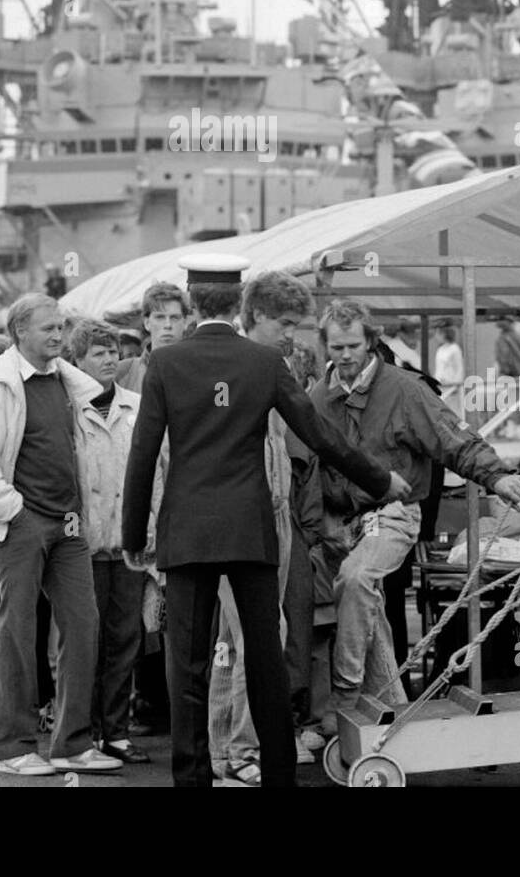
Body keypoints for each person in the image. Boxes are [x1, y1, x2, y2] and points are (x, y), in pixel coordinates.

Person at [121, 254, 407, 789]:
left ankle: (193, 778)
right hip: (251, 528)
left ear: (189, 302)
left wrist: (135, 536)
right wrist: (381, 480)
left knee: (188, 665)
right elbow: (321, 435)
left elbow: (142, 456)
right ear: (241, 303)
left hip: (187, 532)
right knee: (266, 657)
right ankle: (278, 776)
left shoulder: (165, 364)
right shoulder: (263, 362)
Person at [310, 299, 520, 719]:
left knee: (357, 581)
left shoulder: (406, 388)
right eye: (337, 347)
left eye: (353, 345)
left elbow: (453, 438)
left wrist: (497, 477)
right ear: (326, 347)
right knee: (366, 610)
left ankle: (343, 700)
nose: (345, 355)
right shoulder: (319, 397)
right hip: (337, 523)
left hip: (393, 514)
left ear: (372, 342)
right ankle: (394, 708)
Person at [0, 294, 122, 776]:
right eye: (48, 327)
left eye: (61, 326)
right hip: (24, 523)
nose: (58, 334)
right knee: (18, 631)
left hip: (69, 523)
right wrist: (15, 511)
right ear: (19, 331)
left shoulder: (68, 382)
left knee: (83, 627)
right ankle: (14, 747)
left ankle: (72, 743)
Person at [207, 270, 316, 784]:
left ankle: (228, 748)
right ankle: (245, 750)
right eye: (285, 323)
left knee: (235, 641)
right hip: (240, 520)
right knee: (261, 634)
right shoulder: (227, 365)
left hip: (273, 514)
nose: (292, 333)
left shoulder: (272, 362)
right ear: (255, 316)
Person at [69, 318, 159, 764]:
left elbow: (157, 472)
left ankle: (117, 731)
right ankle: (82, 732)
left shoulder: (139, 407)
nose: (109, 359)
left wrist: (152, 531)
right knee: (84, 639)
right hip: (81, 545)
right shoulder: (67, 409)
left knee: (126, 638)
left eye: (113, 351)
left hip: (128, 541)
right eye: (99, 352)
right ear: (78, 360)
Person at [115, 282, 188, 395]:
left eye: (174, 317)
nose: (167, 325)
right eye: (160, 317)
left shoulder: (200, 369)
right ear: (147, 323)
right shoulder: (122, 372)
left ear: (185, 322)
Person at [431, 325, 464, 398]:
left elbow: (459, 368)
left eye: (437, 333)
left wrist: (456, 385)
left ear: (443, 334)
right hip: (440, 386)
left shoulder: (455, 348)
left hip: (451, 387)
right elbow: (438, 368)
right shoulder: (440, 349)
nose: (435, 336)